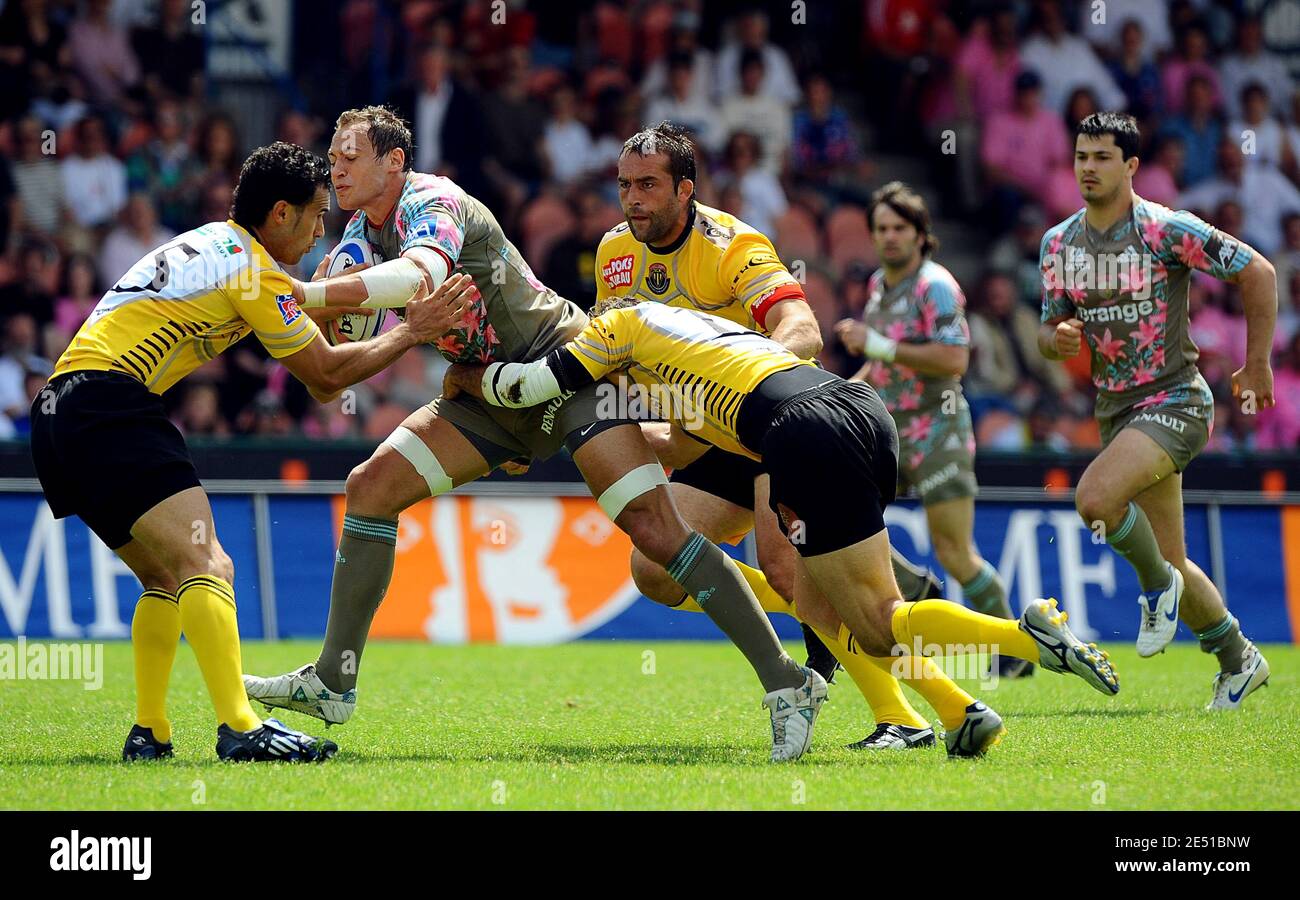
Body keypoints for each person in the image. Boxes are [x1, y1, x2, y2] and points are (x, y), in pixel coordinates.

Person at [243, 108, 827, 763]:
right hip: (486, 393)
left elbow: (418, 278)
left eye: (350, 155)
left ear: (395, 163)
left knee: (657, 531)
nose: (336, 167)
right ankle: (332, 681)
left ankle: (787, 682)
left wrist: (306, 295)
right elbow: (334, 358)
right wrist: (307, 307)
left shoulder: (432, 201)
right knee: (370, 488)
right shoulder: (357, 234)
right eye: (333, 155)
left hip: (566, 367)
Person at [442, 297, 1122, 756]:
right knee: (821, 601)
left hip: (802, 435)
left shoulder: (618, 327)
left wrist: (470, 380)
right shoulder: (704, 334)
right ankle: (955, 715)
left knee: (878, 618)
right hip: (855, 409)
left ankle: (1025, 635)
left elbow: (531, 386)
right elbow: (683, 444)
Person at [29, 141, 477, 762]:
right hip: (111, 402)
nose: (321, 231)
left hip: (57, 411)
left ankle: (150, 732)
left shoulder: (217, 243)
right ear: (281, 214)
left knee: (163, 576)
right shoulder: (252, 266)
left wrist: (321, 303)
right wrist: (412, 331)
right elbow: (324, 378)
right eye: (315, 215)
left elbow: (303, 342)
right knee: (208, 566)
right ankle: (241, 728)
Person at [599, 123, 979, 753]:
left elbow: (801, 327)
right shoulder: (616, 253)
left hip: (770, 422)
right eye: (623, 186)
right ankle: (844, 614)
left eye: (647, 185)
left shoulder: (732, 244)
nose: (632, 198)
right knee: (656, 567)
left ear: (685, 189)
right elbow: (613, 346)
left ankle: (914, 709)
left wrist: (747, 386)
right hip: (707, 433)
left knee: (785, 568)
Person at [1038, 112, 1275, 709]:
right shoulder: (1059, 243)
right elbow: (1048, 330)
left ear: (1132, 166)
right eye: (1081, 156)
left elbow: (1259, 273)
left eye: (1101, 157)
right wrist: (1058, 338)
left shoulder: (1167, 230)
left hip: (1176, 400)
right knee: (1175, 560)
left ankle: (1153, 590)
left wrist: (1259, 363)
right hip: (1117, 411)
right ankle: (1238, 658)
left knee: (1094, 500)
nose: (1087, 168)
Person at [835, 182, 1032, 680]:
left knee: (957, 554)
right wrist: (835, 396)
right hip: (891, 434)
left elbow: (954, 358)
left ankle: (1013, 645)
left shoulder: (934, 284)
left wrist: (878, 345)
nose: (889, 237)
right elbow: (880, 368)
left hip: (940, 433)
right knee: (844, 511)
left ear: (922, 234)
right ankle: (917, 589)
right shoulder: (880, 283)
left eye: (900, 228)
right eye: (881, 229)